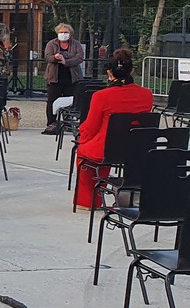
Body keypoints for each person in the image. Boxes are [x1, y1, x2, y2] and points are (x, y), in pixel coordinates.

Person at [72, 48, 155, 209]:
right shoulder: (147, 94)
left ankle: (88, 201)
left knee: (84, 152)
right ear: (132, 70)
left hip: (107, 147)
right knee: (99, 147)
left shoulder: (101, 96)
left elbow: (90, 126)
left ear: (110, 73)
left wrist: (82, 137)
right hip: (137, 148)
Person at [42, 23, 86, 135]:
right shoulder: (51, 44)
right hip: (55, 77)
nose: (63, 34)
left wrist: (66, 62)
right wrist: (56, 58)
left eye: (65, 32)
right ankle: (51, 123)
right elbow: (47, 57)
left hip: (72, 77)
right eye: (61, 32)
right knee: (52, 100)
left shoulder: (76, 44)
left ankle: (67, 123)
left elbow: (79, 57)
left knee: (70, 101)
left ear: (70, 34)